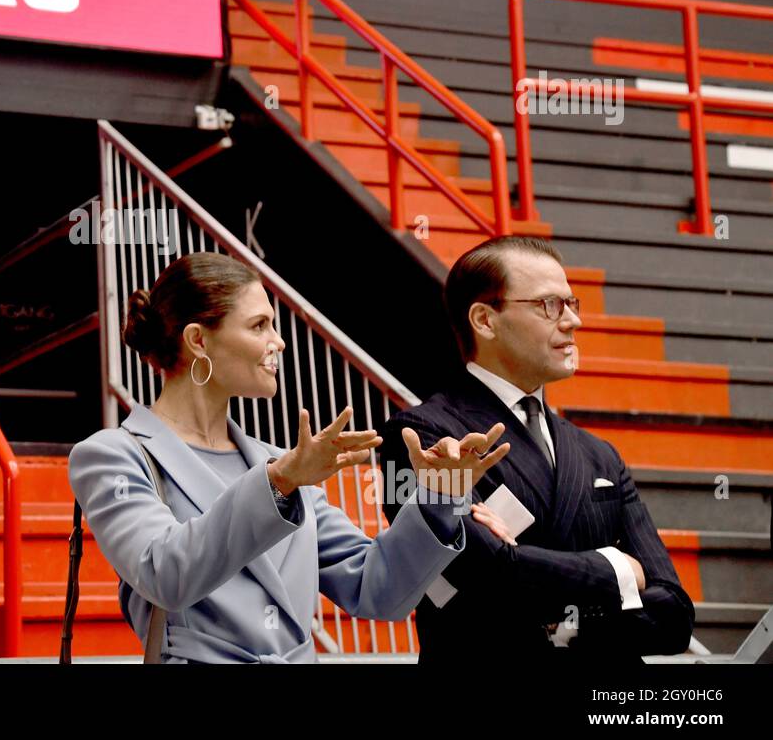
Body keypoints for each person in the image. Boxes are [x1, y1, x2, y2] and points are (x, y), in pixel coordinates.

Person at [68, 252, 511, 663]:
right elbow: (166, 574)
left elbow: (379, 589)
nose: (278, 343)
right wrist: (279, 481)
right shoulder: (112, 455)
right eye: (259, 325)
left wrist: (439, 496)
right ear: (198, 341)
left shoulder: (279, 462)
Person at [378, 235, 695, 663]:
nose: (572, 322)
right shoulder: (418, 436)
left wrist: (564, 623)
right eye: (549, 305)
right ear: (485, 320)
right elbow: (486, 574)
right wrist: (619, 568)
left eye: (572, 303)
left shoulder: (599, 454)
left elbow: (675, 616)